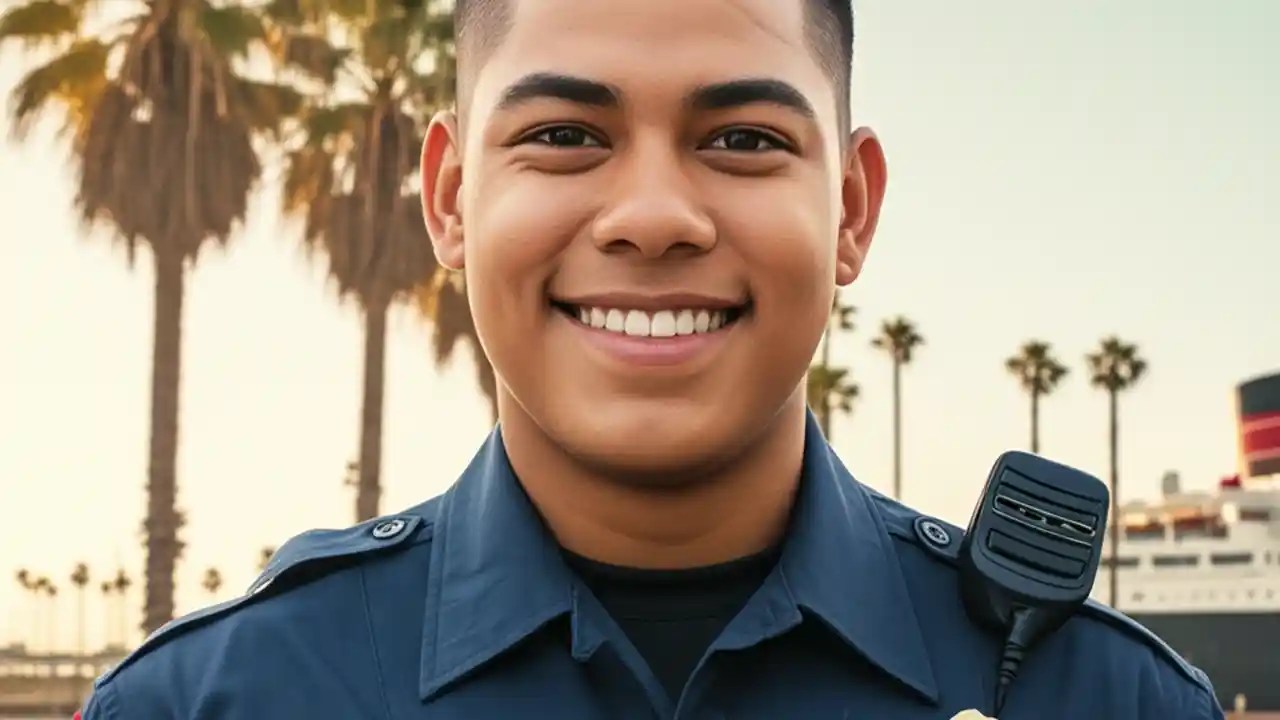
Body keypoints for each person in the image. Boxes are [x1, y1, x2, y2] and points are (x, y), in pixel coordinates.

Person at [79, 0, 1225, 718]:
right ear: (449, 199)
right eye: (564, 136)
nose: (652, 216)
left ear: (851, 212)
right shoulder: (215, 702)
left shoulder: (1098, 699)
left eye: (742, 140)